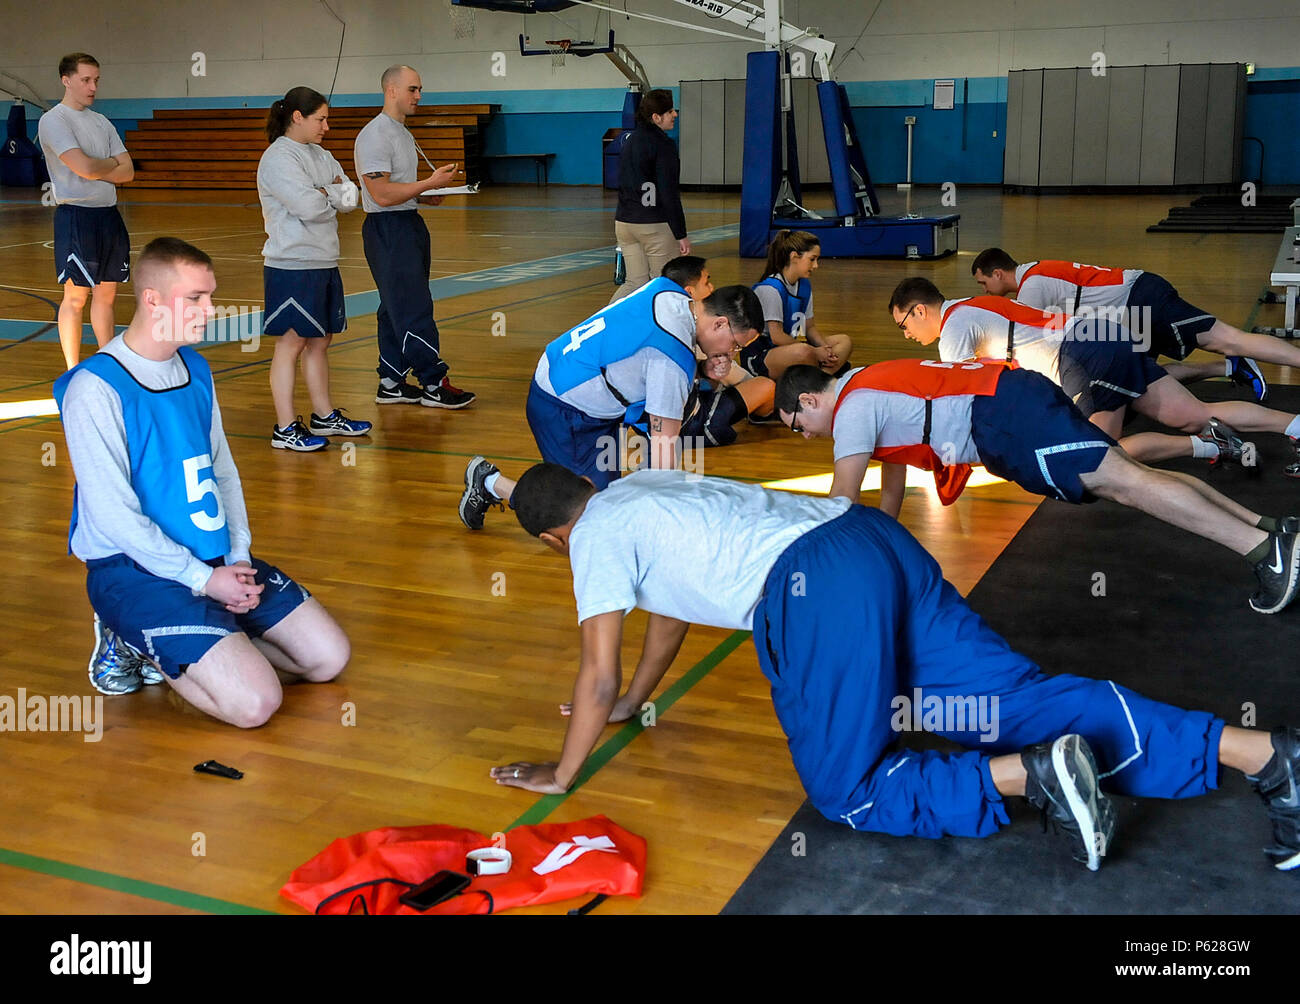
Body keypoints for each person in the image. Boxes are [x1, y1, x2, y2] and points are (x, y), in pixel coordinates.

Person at [489, 464, 1300, 873]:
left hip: (815, 589)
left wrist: (565, 773)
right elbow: (666, 619)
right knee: (1010, 699)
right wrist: (638, 703)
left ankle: (1037, 774)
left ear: (555, 538)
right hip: (871, 543)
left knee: (850, 788)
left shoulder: (591, 539)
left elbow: (594, 671)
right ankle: (1271, 760)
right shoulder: (640, 487)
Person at [52, 238, 350, 725]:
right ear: (151, 299)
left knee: (327, 657)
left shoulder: (195, 367)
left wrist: (236, 556)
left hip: (209, 552)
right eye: (196, 298)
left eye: (210, 296)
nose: (211, 310)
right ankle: (129, 634)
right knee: (255, 704)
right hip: (135, 571)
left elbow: (223, 472)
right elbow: (111, 515)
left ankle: (214, 643)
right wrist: (203, 580)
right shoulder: (95, 388)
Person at [773, 359, 1300, 614]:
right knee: (1127, 476)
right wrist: (876, 554)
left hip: (1003, 416)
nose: (807, 437)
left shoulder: (852, 410)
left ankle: (1264, 551)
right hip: (1010, 398)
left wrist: (804, 562)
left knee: (1125, 484)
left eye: (799, 427)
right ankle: (1268, 528)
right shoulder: (868, 382)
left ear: (811, 401)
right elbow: (887, 495)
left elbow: (841, 502)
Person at [890, 277, 1300, 475]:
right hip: (1099, 336)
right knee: (1194, 411)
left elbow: (963, 398)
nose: (907, 335)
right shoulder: (973, 304)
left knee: (1101, 456)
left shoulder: (955, 328)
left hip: (1083, 354)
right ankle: (1293, 425)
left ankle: (1207, 448)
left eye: (904, 325)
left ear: (921, 309)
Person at [458, 282, 763, 529]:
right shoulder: (671, 360)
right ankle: (490, 482)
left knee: (607, 501)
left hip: (574, 377)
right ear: (720, 323)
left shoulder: (669, 292)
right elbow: (663, 448)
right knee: (581, 516)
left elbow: (639, 354)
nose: (733, 354)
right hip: (563, 405)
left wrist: (702, 368)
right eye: (736, 344)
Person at [971, 248, 1279, 402]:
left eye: (983, 282)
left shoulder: (1031, 288)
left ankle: (1237, 361)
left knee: (1226, 337)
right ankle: (1229, 368)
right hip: (1130, 308)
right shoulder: (1035, 273)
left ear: (998, 273)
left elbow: (1033, 340)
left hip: (1138, 298)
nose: (984, 290)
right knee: (1143, 377)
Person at [257, 86, 371, 452]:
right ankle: (285, 427)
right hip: (291, 265)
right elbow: (310, 207)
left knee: (321, 340)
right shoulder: (278, 159)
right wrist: (330, 194)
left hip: (324, 261)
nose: (326, 127)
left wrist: (330, 193)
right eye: (321, 119)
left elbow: (351, 197)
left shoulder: (321, 156)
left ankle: (324, 415)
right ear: (297, 118)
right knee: (292, 342)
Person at [355, 64, 474, 409]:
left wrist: (425, 195)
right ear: (391, 90)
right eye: (413, 89)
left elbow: (398, 189)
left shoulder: (402, 132)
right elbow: (380, 194)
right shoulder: (375, 135)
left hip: (407, 222)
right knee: (411, 304)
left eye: (420, 89)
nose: (419, 96)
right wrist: (428, 183)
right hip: (388, 229)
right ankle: (434, 382)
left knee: (395, 304)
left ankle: (391, 380)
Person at [36, 53, 133, 370]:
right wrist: (105, 166)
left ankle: (107, 364)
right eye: (86, 80)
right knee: (76, 298)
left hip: (109, 215)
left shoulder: (101, 121)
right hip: (76, 217)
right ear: (66, 80)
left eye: (96, 80)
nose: (93, 87)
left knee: (107, 297)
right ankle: (73, 369)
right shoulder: (54, 120)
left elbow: (128, 171)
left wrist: (97, 167)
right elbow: (84, 167)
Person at [627, 256, 777, 450]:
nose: (711, 287)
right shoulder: (675, 335)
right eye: (735, 344)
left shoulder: (666, 312)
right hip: (678, 424)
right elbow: (664, 412)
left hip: (654, 419)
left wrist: (706, 370)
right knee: (766, 386)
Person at [609, 89, 689, 303]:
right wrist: (681, 233)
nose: (675, 114)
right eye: (670, 111)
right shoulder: (664, 145)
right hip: (654, 225)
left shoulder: (628, 141)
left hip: (625, 223)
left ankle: (604, 325)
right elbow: (669, 191)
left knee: (635, 283)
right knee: (665, 285)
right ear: (656, 117)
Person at [742, 230, 853, 381]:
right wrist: (815, 352)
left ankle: (820, 378)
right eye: (812, 259)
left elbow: (809, 327)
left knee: (844, 341)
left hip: (794, 345)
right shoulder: (770, 289)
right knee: (803, 352)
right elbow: (776, 337)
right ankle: (821, 375)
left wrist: (825, 350)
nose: (816, 266)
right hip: (763, 354)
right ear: (794, 256)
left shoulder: (804, 286)